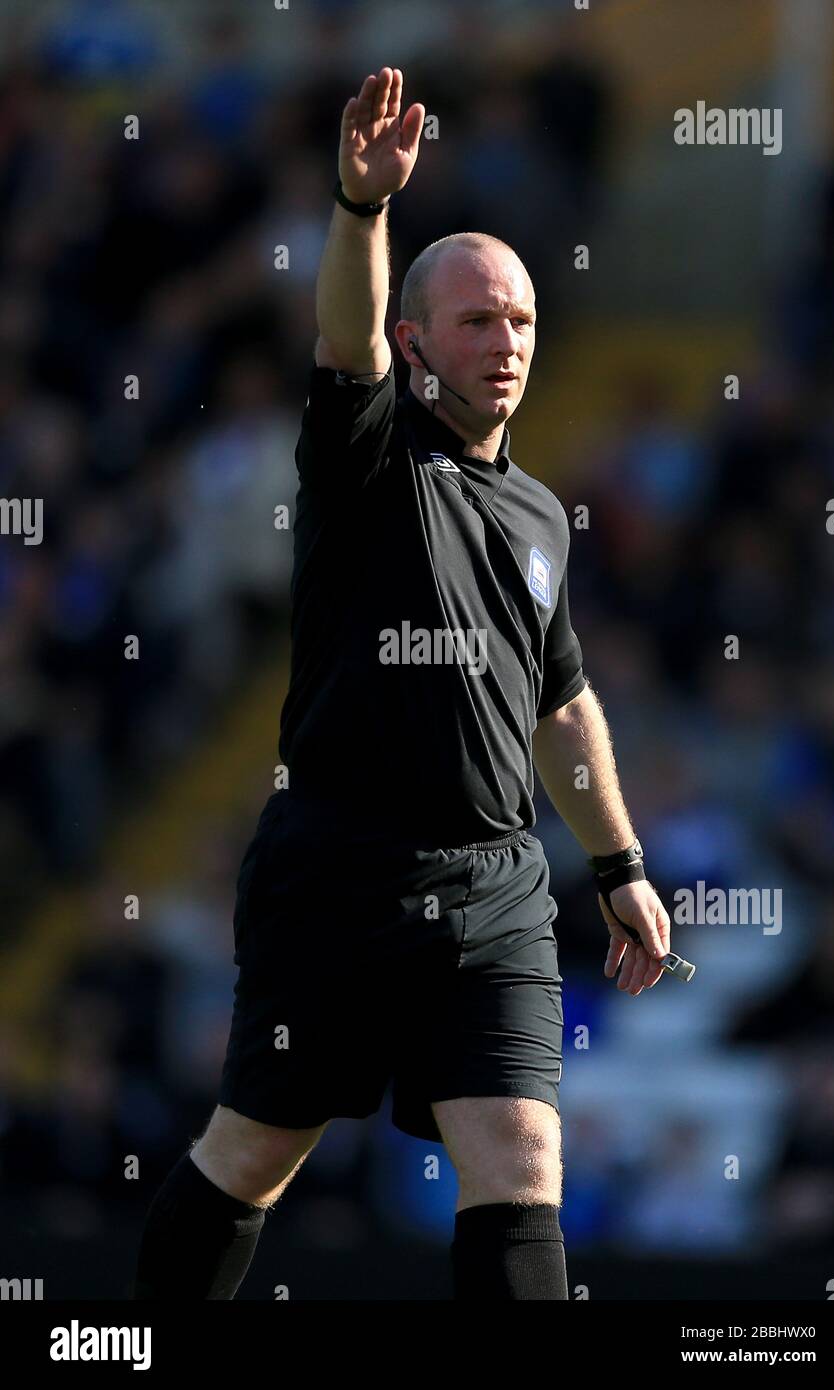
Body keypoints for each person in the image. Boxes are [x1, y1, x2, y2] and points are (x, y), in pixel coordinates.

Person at [133, 66, 671, 1303]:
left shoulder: (539, 513)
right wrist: (361, 208)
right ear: (418, 342)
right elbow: (341, 333)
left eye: (522, 321)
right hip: (337, 866)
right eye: (477, 321)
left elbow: (560, 701)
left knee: (520, 1154)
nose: (506, 344)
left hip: (493, 883)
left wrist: (621, 863)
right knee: (256, 1152)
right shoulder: (369, 453)